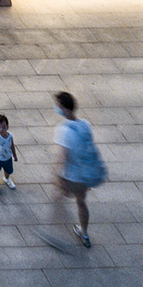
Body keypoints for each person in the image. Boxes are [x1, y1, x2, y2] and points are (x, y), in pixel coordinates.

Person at [53, 91, 106, 248]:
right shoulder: (85, 124)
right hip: (85, 174)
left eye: (59, 106)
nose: (57, 108)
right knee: (81, 202)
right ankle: (84, 233)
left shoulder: (64, 130)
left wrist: (58, 175)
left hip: (72, 176)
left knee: (59, 197)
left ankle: (57, 232)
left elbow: (63, 157)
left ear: (66, 109)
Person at [0, 113, 17, 193]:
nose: (1, 129)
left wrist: (14, 155)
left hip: (8, 157)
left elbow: (12, 146)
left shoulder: (10, 136)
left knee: (8, 170)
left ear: (7, 126)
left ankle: (6, 178)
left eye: (3, 127)